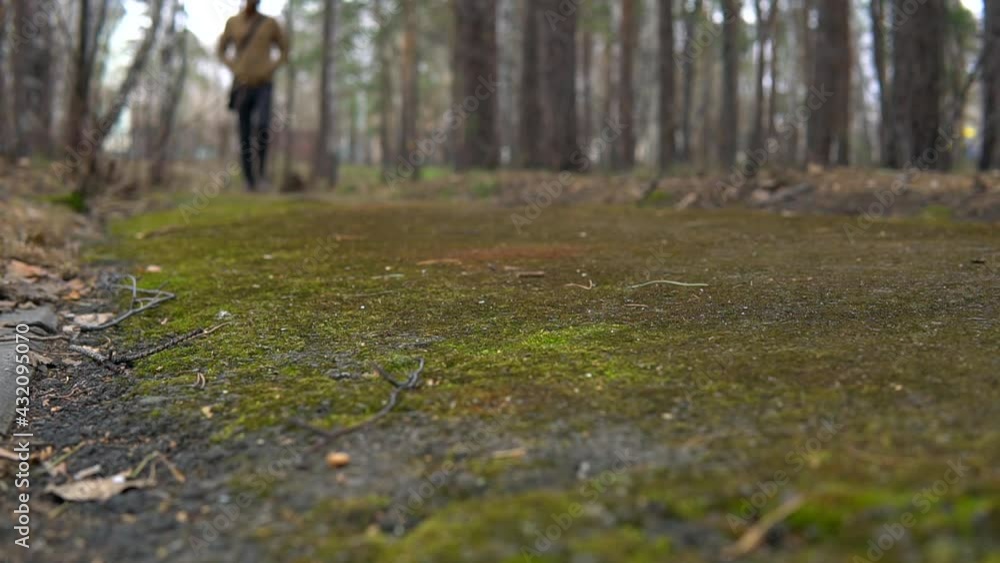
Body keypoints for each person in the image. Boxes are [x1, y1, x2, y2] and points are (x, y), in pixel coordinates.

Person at [217, 0, 289, 191]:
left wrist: (271, 68)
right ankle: (249, 180)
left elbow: (284, 49)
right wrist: (234, 67)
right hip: (242, 85)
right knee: (244, 132)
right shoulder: (233, 23)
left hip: (264, 84)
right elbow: (221, 50)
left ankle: (262, 175)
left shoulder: (270, 23)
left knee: (263, 125)